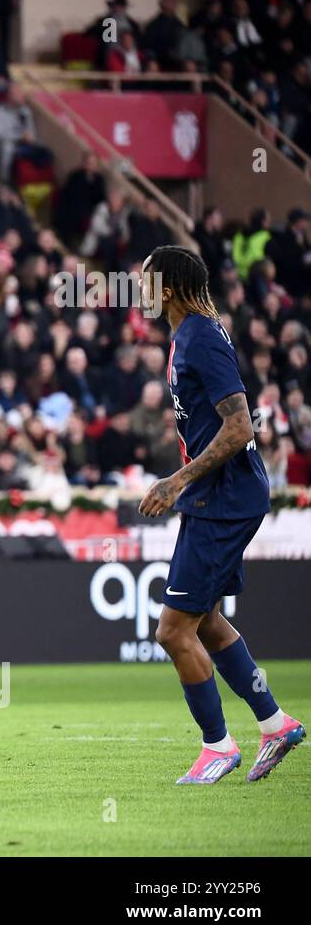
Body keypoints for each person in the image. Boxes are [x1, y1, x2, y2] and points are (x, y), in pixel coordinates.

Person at [137, 246, 302, 784]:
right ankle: (275, 724)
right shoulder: (192, 332)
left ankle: (217, 746)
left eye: (145, 281)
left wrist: (177, 479)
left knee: (171, 630)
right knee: (203, 619)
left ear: (166, 289)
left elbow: (240, 427)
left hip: (222, 500)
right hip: (218, 498)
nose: (138, 290)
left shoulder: (201, 336)